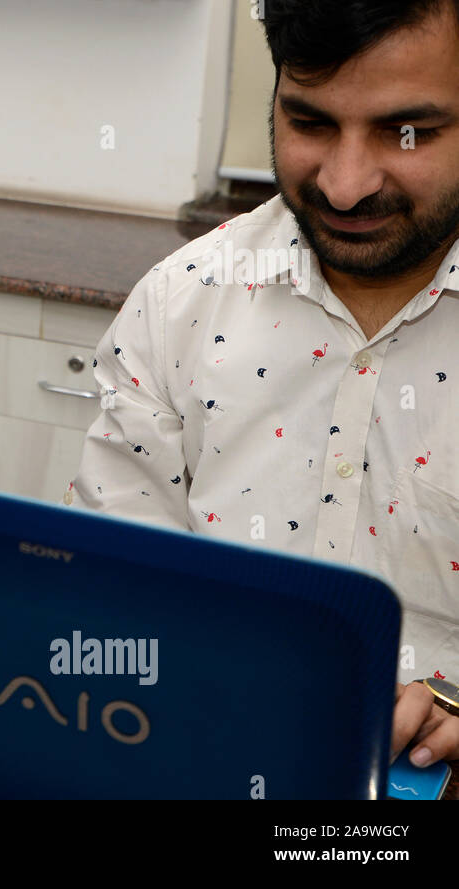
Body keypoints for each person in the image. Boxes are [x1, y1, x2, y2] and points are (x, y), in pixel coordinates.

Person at [66, 0, 459, 768]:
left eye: (405, 132)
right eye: (310, 123)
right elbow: (109, 591)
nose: (345, 186)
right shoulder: (182, 299)